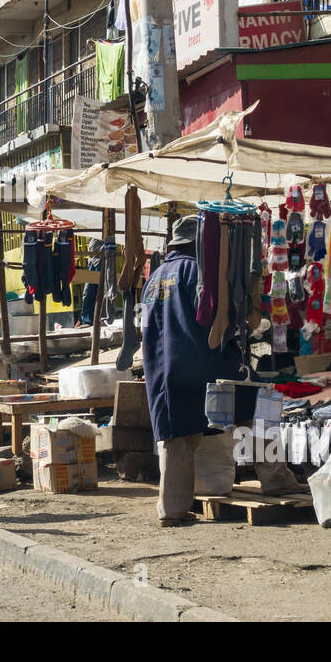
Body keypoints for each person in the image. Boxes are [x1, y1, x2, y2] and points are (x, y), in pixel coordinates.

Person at [141, 216, 243, 527]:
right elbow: (208, 316)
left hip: (161, 367)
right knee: (243, 411)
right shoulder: (194, 270)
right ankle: (171, 511)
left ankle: (175, 507)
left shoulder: (155, 276)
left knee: (176, 434)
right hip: (194, 361)